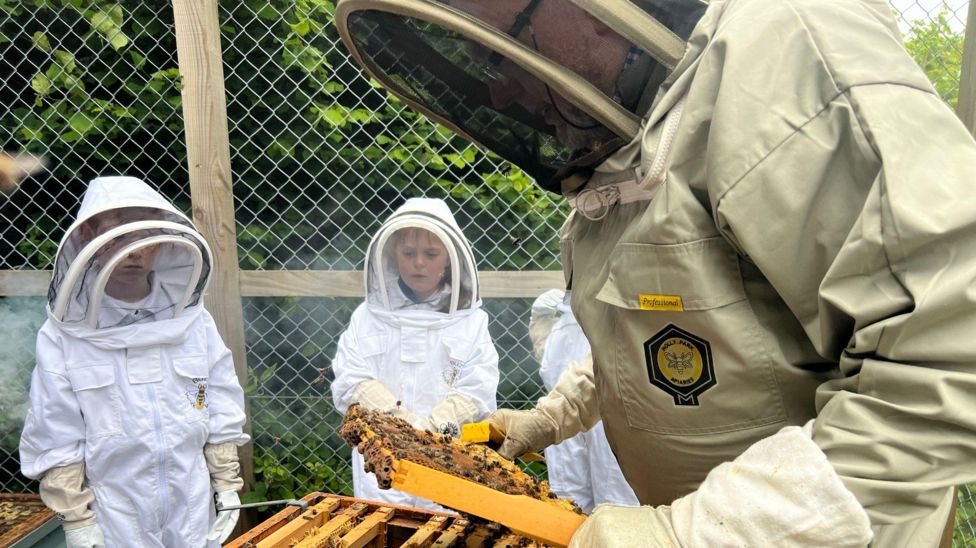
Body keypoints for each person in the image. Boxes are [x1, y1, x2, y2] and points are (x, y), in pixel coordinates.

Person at [332, 0, 976, 546]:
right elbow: (659, 342)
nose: (499, 89)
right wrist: (549, 418)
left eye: (501, 50)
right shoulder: (622, 159)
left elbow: (948, 359)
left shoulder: (778, 62)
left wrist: (679, 536)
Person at [19, 176, 249, 547]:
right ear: (90, 239)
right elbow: (55, 429)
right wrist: (77, 519)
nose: (135, 251)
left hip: (192, 498)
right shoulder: (64, 333)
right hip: (114, 510)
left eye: (143, 236)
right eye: (119, 235)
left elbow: (215, 395)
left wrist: (225, 483)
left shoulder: (191, 319)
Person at [331, 197, 500, 510]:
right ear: (394, 255)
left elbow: (479, 388)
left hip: (448, 455)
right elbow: (351, 379)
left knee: (448, 534)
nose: (419, 262)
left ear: (449, 258)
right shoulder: (367, 316)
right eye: (408, 253)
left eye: (431, 254)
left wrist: (433, 426)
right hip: (380, 455)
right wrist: (399, 421)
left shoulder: (471, 320)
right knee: (381, 527)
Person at [529, 289, 638, 513]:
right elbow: (554, 379)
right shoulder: (564, 322)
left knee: (618, 498)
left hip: (620, 325)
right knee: (568, 500)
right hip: (572, 320)